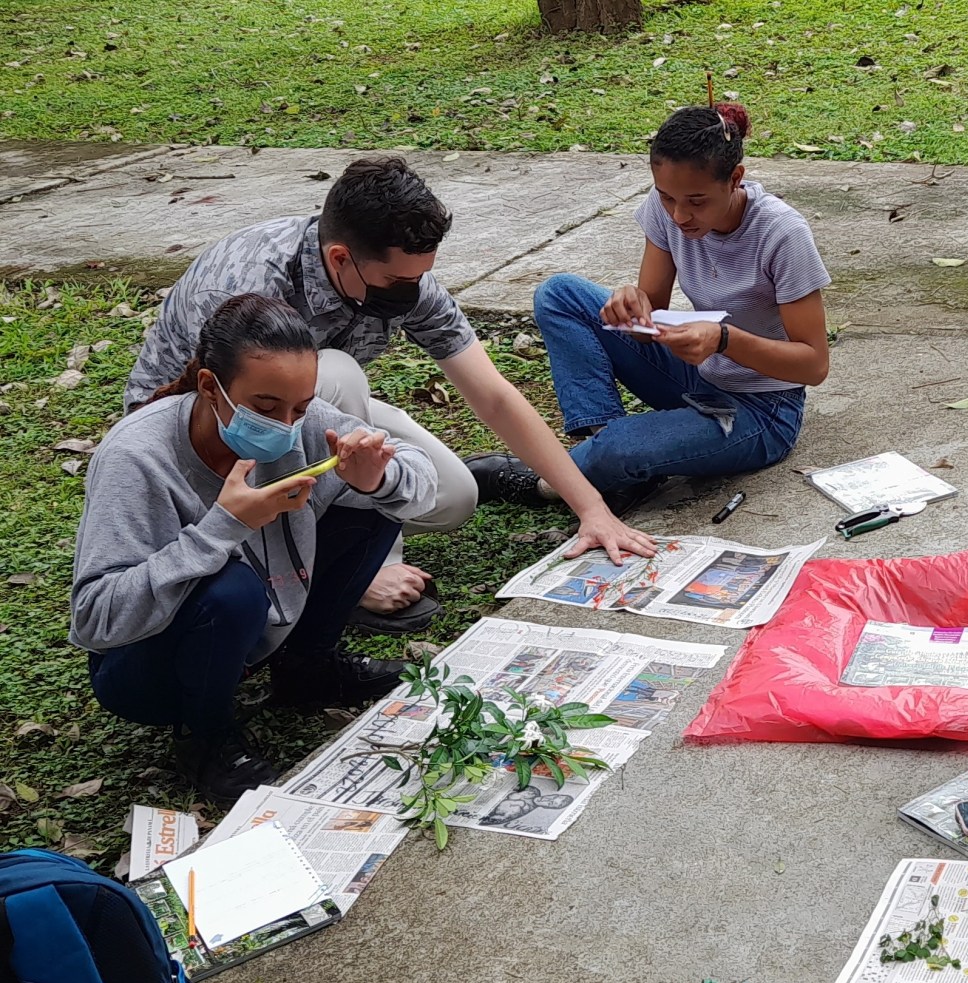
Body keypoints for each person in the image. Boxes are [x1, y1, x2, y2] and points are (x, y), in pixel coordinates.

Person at [125, 157, 656, 635]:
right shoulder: (246, 285)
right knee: (337, 374)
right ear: (340, 258)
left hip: (310, 415)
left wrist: (591, 507)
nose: (412, 291)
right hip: (214, 433)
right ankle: (358, 571)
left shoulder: (401, 280)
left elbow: (492, 394)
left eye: (421, 276)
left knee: (452, 498)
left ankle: (350, 535)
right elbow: (215, 414)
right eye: (397, 280)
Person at [73, 294, 438, 801]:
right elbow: (95, 620)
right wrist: (222, 528)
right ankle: (205, 733)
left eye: (300, 408)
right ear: (209, 386)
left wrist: (378, 477)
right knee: (231, 589)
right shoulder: (137, 457)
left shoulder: (304, 425)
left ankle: (307, 670)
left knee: (373, 497)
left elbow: (420, 477)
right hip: (145, 667)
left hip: (262, 629)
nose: (286, 426)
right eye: (265, 408)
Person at [465, 102, 831, 514]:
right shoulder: (666, 212)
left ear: (735, 179)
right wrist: (631, 306)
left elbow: (814, 366)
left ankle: (546, 481)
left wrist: (724, 339)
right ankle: (607, 454)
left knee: (622, 447)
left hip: (762, 410)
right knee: (560, 294)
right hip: (696, 376)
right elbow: (647, 324)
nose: (680, 215)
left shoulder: (782, 234)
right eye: (667, 197)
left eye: (696, 201)